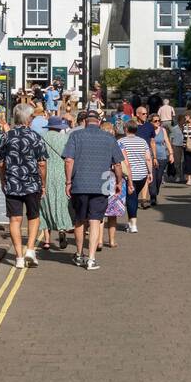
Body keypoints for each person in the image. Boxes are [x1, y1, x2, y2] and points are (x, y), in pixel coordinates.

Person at [63, 108, 124, 270]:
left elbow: (69, 160)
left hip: (79, 183)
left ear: (85, 122)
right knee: (95, 220)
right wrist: (119, 182)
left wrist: (68, 182)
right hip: (102, 183)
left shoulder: (75, 136)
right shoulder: (109, 138)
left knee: (79, 220)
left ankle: (78, 254)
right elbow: (117, 164)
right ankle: (91, 259)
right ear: (98, 122)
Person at [0, 103, 48, 269]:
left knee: (15, 219)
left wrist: (3, 180)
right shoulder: (35, 137)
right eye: (32, 117)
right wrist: (43, 184)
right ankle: (30, 250)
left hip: (12, 183)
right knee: (33, 216)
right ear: (27, 118)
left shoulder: (6, 136)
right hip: (32, 183)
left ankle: (18, 257)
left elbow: (1, 163)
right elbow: (42, 164)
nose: (32, 119)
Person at [38, 115, 73, 252]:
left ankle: (46, 240)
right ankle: (62, 228)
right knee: (61, 203)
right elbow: (69, 159)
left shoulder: (42, 138)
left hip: (45, 174)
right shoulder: (65, 139)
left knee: (45, 205)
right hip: (61, 174)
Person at [118, 121, 154, 233]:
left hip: (129, 175)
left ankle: (133, 224)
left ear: (125, 129)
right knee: (133, 197)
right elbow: (148, 158)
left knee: (131, 199)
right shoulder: (142, 141)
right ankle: (130, 223)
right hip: (142, 174)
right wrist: (150, 172)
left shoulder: (120, 141)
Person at [101, 121, 126, 248]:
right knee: (113, 213)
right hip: (112, 178)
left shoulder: (98, 145)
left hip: (101, 177)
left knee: (99, 212)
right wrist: (120, 181)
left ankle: (99, 240)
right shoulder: (115, 144)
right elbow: (118, 165)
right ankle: (111, 240)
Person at [148, 112, 173, 204]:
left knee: (158, 178)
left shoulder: (163, 130)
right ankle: (153, 196)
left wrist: (171, 154)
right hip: (150, 157)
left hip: (162, 157)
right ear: (150, 122)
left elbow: (167, 142)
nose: (158, 122)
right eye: (155, 121)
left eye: (159, 121)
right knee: (152, 178)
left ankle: (155, 192)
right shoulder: (148, 130)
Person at [169, 117, 185, 183]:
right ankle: (178, 176)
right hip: (176, 146)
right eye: (182, 120)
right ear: (179, 121)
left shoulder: (186, 127)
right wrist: (171, 149)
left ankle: (184, 176)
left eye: (184, 120)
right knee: (177, 162)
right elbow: (171, 138)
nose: (183, 121)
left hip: (184, 146)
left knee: (184, 162)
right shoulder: (174, 128)